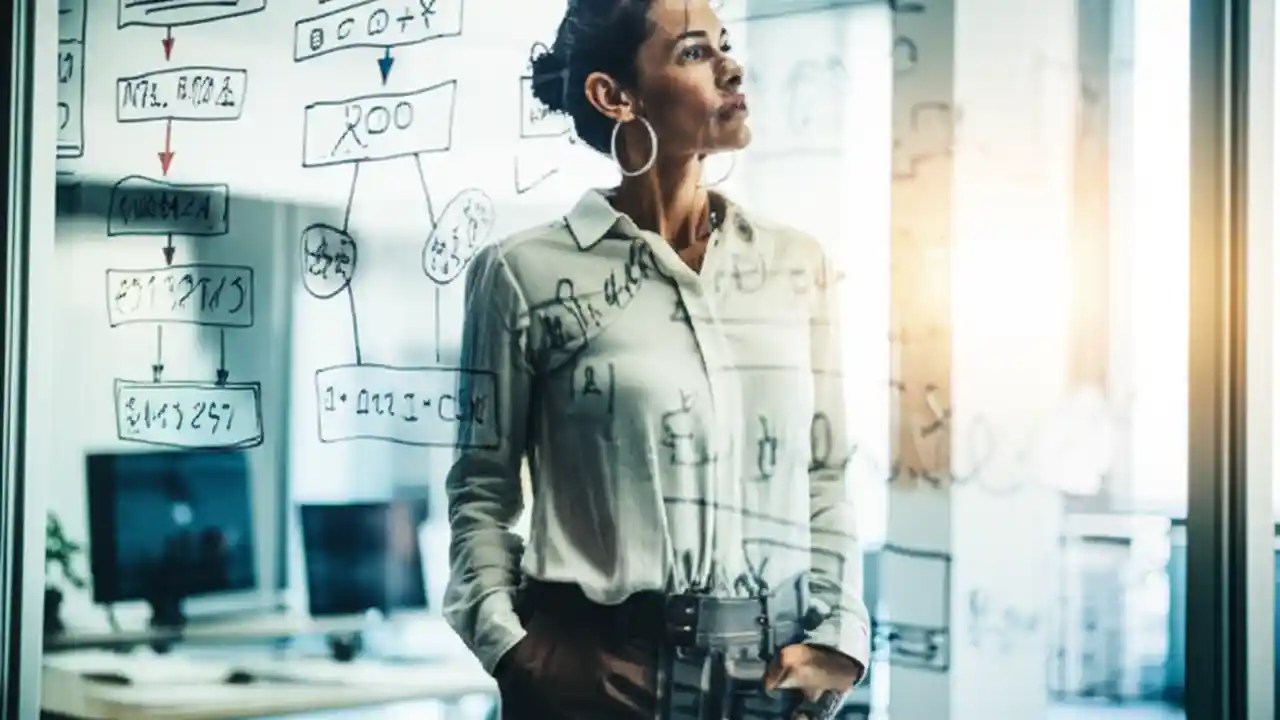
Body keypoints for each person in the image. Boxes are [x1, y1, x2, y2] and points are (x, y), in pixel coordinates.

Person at [443, 1, 870, 717]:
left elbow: (823, 471)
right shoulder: (523, 272)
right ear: (615, 95)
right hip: (589, 673)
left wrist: (841, 636)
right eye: (695, 53)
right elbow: (481, 489)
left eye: (726, 46)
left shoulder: (797, 264)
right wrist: (513, 652)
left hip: (766, 675)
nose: (732, 66)